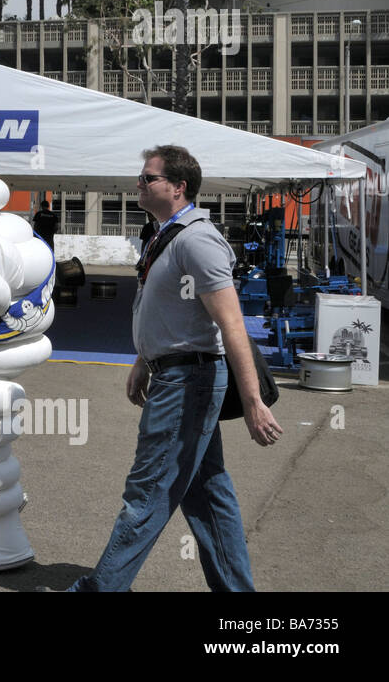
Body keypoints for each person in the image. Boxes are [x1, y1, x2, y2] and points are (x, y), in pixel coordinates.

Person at [68, 145, 284, 592]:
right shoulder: (164, 234)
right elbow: (169, 314)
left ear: (178, 187)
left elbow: (231, 325)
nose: (139, 184)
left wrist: (253, 403)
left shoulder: (197, 240)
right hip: (174, 374)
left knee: (146, 492)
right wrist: (143, 362)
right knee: (208, 496)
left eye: (149, 178)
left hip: (189, 384)